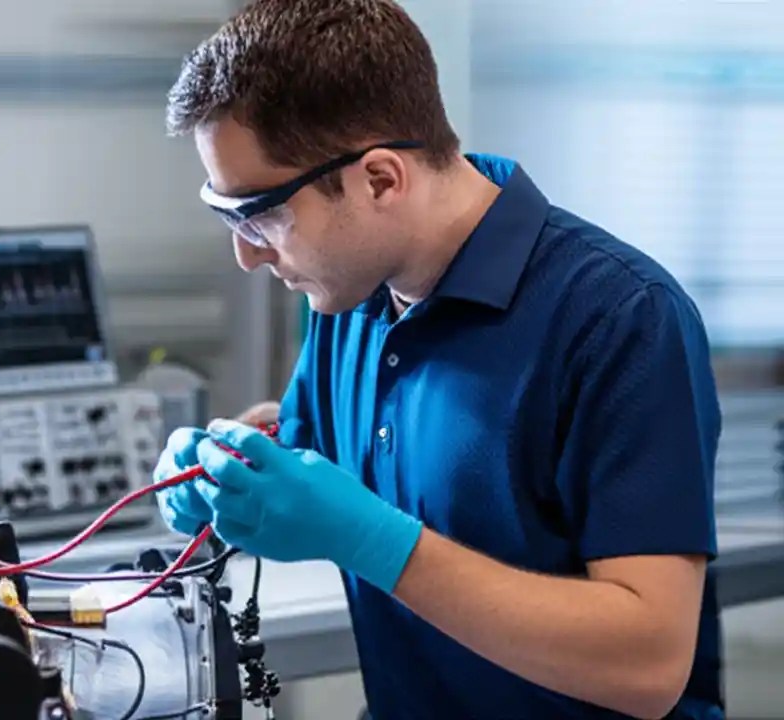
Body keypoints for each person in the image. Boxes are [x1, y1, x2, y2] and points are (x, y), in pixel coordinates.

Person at [151, 1, 724, 718]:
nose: (247, 255)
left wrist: (374, 541)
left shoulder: (621, 318)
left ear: (381, 180)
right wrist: (231, 469)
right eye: (226, 214)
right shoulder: (349, 292)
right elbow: (323, 446)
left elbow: (649, 665)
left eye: (261, 215)